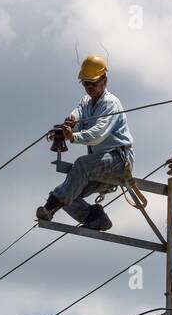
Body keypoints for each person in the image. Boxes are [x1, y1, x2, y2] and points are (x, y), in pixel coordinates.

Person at [36, 55, 134, 232]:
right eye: (85, 84)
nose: (89, 88)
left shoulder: (110, 103)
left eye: (93, 83)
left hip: (119, 161)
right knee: (67, 191)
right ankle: (94, 217)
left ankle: (50, 207)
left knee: (80, 166)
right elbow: (78, 113)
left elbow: (98, 134)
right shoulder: (86, 102)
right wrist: (70, 122)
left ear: (104, 80)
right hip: (99, 164)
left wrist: (73, 137)